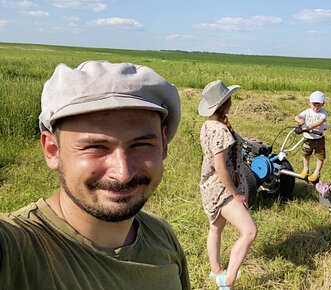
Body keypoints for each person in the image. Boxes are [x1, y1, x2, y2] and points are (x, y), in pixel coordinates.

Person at [0, 61, 190, 289]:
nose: (123, 173)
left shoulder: (162, 236)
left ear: (163, 145)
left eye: (141, 144)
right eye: (96, 147)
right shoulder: (17, 249)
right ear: (52, 150)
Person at [198, 80, 257, 289]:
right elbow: (221, 167)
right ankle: (228, 281)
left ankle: (216, 272)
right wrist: (236, 195)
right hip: (222, 189)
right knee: (249, 231)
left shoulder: (208, 125)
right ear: (224, 103)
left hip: (209, 186)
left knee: (216, 227)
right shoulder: (221, 131)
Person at [294, 91, 328, 183]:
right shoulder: (307, 111)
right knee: (306, 154)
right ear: (310, 103)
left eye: (319, 105)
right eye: (314, 105)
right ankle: (305, 169)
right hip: (308, 138)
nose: (316, 108)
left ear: (323, 104)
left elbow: (320, 121)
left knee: (320, 156)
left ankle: (316, 172)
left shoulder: (323, 113)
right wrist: (300, 120)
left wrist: (311, 126)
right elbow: (297, 117)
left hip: (319, 139)